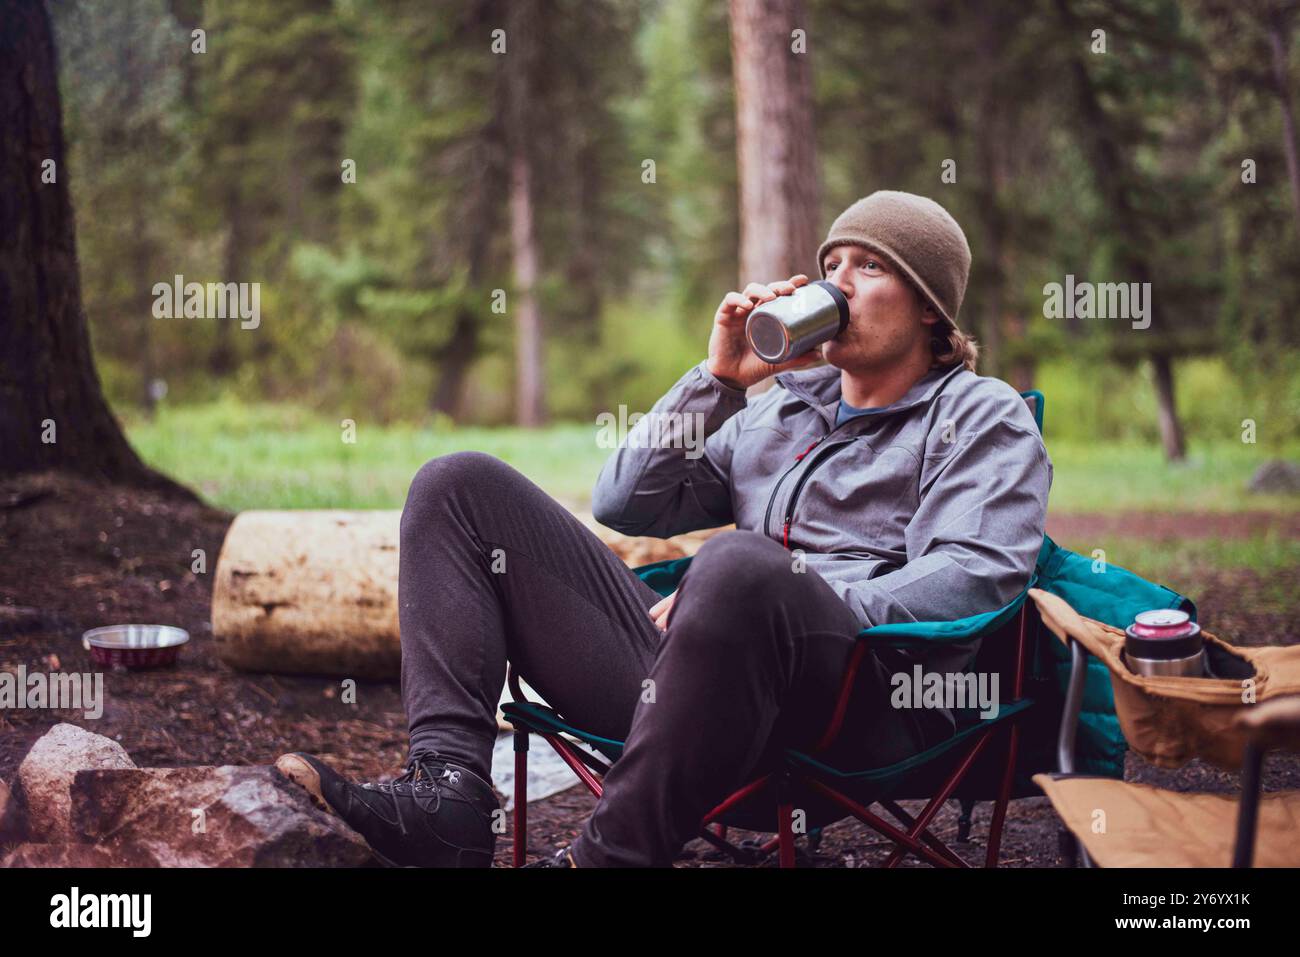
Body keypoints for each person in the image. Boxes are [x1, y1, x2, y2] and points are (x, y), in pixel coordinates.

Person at [277, 190, 1053, 868]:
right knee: (457, 485)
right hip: (691, 702)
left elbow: (972, 574)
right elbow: (626, 502)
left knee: (741, 565)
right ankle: (446, 798)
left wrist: (766, 590)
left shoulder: (980, 414)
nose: (836, 284)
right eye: (832, 262)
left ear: (929, 306)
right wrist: (716, 382)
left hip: (861, 711)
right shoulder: (786, 407)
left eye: (869, 266)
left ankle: (605, 857)